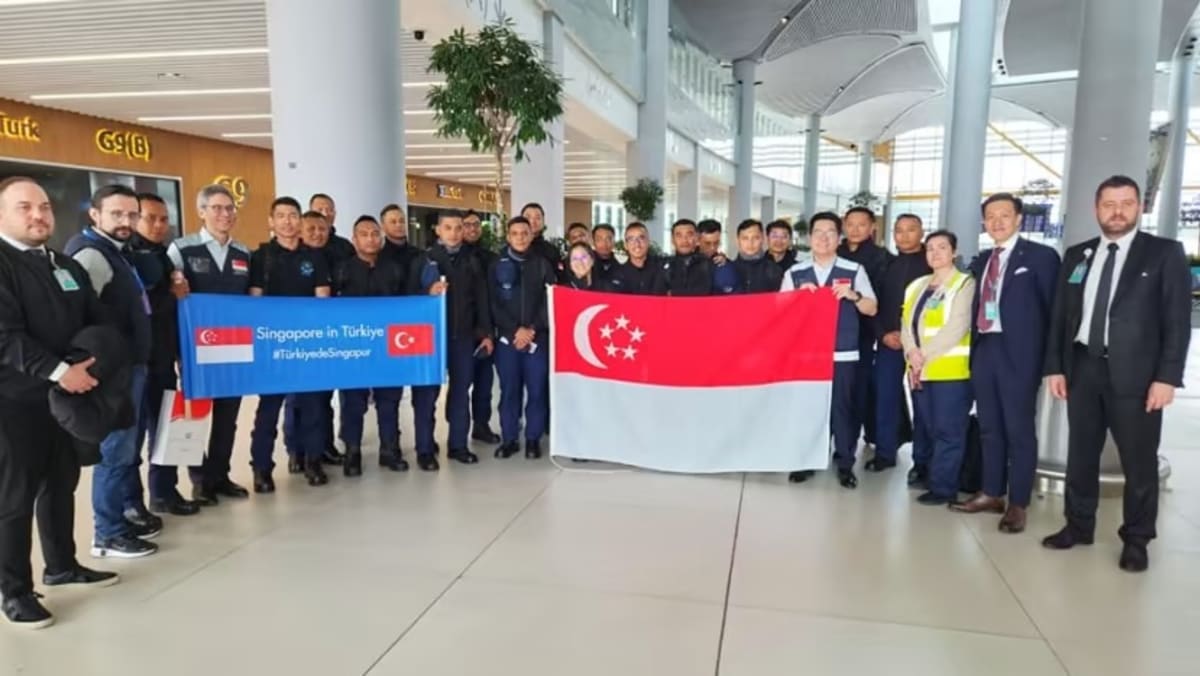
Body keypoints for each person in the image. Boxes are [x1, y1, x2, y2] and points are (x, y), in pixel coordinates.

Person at [1043, 175, 1193, 572]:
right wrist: (1055, 367)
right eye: (1108, 204)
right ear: (1097, 208)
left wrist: (1167, 377)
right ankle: (1078, 525)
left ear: (1139, 208)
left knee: (1139, 463)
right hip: (1083, 367)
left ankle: (1137, 539)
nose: (1117, 211)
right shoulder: (1078, 255)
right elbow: (1061, 317)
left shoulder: (1163, 253)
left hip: (1138, 376)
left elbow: (1177, 323)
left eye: (1126, 203)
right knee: (1081, 454)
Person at [0, 176, 118, 629]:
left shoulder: (64, 264)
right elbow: (5, 338)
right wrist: (58, 371)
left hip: (66, 399)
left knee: (61, 482)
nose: (38, 215)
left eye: (44, 206)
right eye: (24, 207)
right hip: (15, 402)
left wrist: (93, 361)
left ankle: (62, 565)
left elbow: (95, 319)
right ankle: (14, 591)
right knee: (14, 499)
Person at [952, 192, 1060, 534]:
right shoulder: (982, 260)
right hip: (986, 350)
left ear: (1018, 219)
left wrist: (1050, 362)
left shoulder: (1041, 257)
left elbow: (1054, 313)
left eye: (1004, 215)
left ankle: (1018, 503)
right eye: (990, 216)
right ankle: (992, 492)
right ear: (984, 222)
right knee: (989, 427)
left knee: (1019, 430)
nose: (997, 222)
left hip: (1021, 355)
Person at [65, 185, 160, 559]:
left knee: (125, 447)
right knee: (116, 450)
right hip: (113, 371)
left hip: (129, 365)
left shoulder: (119, 252)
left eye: (131, 215)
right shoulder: (91, 255)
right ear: (95, 215)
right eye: (117, 214)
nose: (126, 222)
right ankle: (107, 533)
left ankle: (121, 517)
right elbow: (75, 312)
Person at [166, 184, 253, 507]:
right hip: (195, 348)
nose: (224, 214)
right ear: (201, 211)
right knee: (196, 415)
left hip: (234, 346)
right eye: (216, 208)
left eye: (229, 208)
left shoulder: (244, 253)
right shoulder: (181, 249)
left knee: (228, 416)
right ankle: (199, 481)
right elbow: (171, 297)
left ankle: (220, 475)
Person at [782, 212, 878, 489]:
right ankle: (807, 460)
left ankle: (845, 462)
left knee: (842, 408)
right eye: (818, 233)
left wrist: (854, 295)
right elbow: (780, 313)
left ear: (839, 238)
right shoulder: (795, 273)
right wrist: (798, 299)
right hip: (806, 355)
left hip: (842, 352)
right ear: (809, 238)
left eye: (830, 233)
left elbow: (872, 307)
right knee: (808, 408)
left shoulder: (853, 270)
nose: (823, 238)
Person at [247, 197, 332, 493]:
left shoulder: (314, 257)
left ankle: (312, 462)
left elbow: (323, 298)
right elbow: (255, 301)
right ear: (271, 221)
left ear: (300, 221)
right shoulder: (261, 257)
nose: (287, 221)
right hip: (273, 345)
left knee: (312, 407)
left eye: (293, 215)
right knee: (269, 408)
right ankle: (261, 468)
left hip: (307, 344)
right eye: (281, 216)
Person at [129, 193, 198, 517]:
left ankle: (164, 492)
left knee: (166, 429)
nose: (158, 225)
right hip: (134, 361)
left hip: (164, 357)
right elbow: (138, 309)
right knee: (132, 437)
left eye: (163, 219)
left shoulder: (164, 255)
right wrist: (170, 294)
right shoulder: (126, 256)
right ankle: (132, 505)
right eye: (150, 218)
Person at [409, 210, 494, 470]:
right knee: (426, 395)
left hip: (464, 338)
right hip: (430, 340)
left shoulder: (473, 260)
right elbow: (407, 298)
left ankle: (458, 445)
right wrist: (427, 292)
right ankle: (424, 448)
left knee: (460, 393)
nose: (454, 233)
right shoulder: (424, 260)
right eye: (448, 228)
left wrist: (486, 333)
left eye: (459, 228)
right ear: (437, 230)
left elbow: (482, 299)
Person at [901, 230, 975, 506]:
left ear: (953, 252)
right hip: (920, 370)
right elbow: (906, 324)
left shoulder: (964, 284)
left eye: (942, 248)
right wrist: (911, 351)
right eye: (930, 248)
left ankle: (944, 488)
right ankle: (928, 473)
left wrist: (923, 354)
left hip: (950, 372)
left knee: (948, 431)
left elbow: (957, 326)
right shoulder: (917, 285)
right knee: (926, 426)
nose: (935, 253)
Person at [333, 216, 410, 475]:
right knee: (353, 401)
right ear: (354, 240)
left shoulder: (394, 268)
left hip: (388, 347)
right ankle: (352, 452)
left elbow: (406, 306)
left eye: (375, 234)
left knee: (389, 400)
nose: (370, 239)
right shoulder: (342, 270)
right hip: (353, 347)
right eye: (364, 234)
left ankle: (389, 449)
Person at [490, 216, 557, 459]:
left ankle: (532, 439)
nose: (520, 237)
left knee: (537, 391)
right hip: (507, 341)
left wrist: (531, 329)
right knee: (509, 391)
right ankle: (509, 439)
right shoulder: (497, 264)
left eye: (524, 233)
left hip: (536, 339)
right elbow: (493, 302)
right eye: (515, 233)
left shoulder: (542, 264)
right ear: (508, 236)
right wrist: (512, 330)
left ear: (531, 235)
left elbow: (550, 300)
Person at [284, 210, 342, 471]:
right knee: (296, 401)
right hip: (296, 340)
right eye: (311, 229)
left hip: (328, 340)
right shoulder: (291, 258)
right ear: (299, 230)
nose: (318, 234)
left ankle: (322, 448)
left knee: (322, 400)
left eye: (322, 228)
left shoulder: (338, 254)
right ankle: (297, 452)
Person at [873, 213, 929, 477]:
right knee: (885, 397)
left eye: (911, 230)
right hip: (889, 342)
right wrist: (883, 334)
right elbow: (873, 304)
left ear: (921, 232)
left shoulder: (932, 265)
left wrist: (913, 340)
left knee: (923, 401)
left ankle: (922, 461)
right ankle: (885, 452)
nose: (904, 235)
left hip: (922, 345)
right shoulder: (886, 264)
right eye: (899, 230)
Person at [838, 206, 892, 458]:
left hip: (863, 333)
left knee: (856, 391)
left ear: (872, 227)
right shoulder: (833, 253)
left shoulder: (882, 258)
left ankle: (848, 447)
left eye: (862, 225)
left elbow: (882, 300)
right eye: (850, 224)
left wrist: (881, 332)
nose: (855, 229)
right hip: (830, 334)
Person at [462, 209, 500, 444]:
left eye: (476, 225)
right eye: (467, 225)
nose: (472, 229)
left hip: (487, 329)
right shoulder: (451, 256)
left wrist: (488, 330)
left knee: (484, 383)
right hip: (462, 331)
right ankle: (457, 431)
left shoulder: (490, 258)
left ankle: (481, 425)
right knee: (461, 384)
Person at [719, 219, 783, 294]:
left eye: (756, 238)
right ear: (737, 240)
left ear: (763, 239)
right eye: (745, 238)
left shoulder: (774, 271)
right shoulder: (728, 270)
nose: (750, 243)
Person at [615, 222, 667, 295]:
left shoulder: (662, 271)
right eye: (631, 239)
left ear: (648, 242)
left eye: (641, 238)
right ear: (625, 245)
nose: (637, 244)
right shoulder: (617, 274)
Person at [665, 219, 715, 296]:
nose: (684, 240)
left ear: (697, 238)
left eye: (689, 235)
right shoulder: (663, 266)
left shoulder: (710, 264)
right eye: (679, 235)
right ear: (672, 240)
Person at [308, 192, 355, 262]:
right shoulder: (299, 244)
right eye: (320, 210)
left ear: (335, 214)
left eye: (329, 210)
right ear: (310, 213)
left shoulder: (344, 246)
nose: (325, 214)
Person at [521, 202, 563, 273]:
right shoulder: (510, 249)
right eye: (528, 217)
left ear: (543, 222)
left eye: (537, 218)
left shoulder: (551, 251)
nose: (532, 221)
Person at [591, 224, 621, 289]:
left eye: (609, 239)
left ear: (614, 242)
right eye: (599, 239)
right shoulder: (585, 265)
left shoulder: (621, 268)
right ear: (593, 242)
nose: (604, 243)